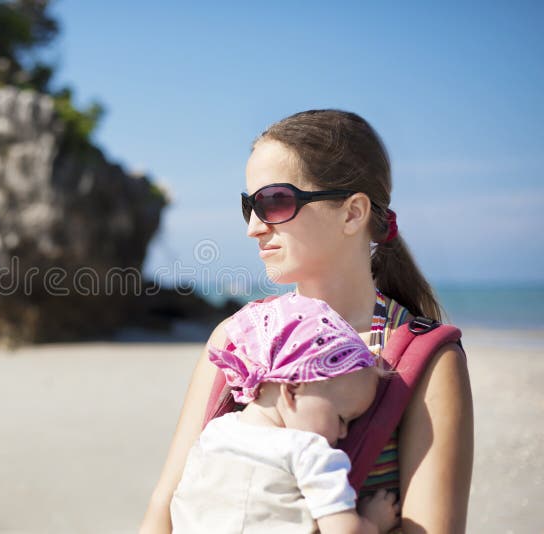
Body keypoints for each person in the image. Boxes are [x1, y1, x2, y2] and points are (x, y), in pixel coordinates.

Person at [140, 110, 473, 533]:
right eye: (250, 205)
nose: (253, 228)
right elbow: (163, 509)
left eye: (274, 202)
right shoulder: (235, 338)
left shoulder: (423, 361)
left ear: (352, 213)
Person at [170, 293, 399, 533]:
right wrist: (374, 522)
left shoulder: (214, 433)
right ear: (292, 390)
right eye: (342, 418)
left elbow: (183, 504)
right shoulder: (309, 452)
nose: (343, 433)